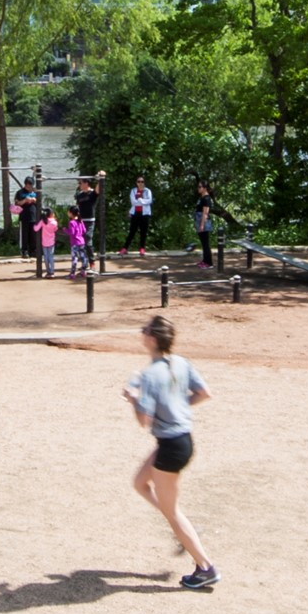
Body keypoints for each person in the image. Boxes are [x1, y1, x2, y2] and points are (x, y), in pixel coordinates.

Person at [122, 315, 218, 589]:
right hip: (182, 439)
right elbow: (204, 393)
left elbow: (144, 420)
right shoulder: (181, 363)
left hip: (171, 447)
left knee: (173, 513)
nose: (141, 333)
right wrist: (179, 407)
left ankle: (205, 567)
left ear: (152, 339)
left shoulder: (150, 375)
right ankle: (183, 526)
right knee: (140, 483)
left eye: (144, 330)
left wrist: (133, 398)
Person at [125, 176, 153, 254]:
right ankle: (125, 248)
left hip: (145, 214)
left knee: (143, 232)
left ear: (144, 182)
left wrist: (140, 200)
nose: (140, 183)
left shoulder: (147, 191)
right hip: (135, 213)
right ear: (136, 183)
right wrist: (143, 201)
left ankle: (142, 248)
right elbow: (133, 202)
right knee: (132, 231)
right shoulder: (133, 191)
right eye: (138, 181)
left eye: (142, 181)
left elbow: (149, 201)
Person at [74, 177, 101, 256]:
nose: (79, 185)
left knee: (88, 240)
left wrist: (100, 179)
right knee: (80, 242)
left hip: (90, 220)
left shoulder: (92, 193)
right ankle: (84, 263)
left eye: (80, 183)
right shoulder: (79, 195)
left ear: (86, 183)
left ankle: (91, 262)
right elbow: (77, 207)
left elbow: (98, 188)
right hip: (81, 220)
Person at [11, 178, 38, 256]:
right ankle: (24, 251)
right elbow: (16, 203)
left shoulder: (35, 192)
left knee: (33, 235)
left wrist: (34, 200)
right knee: (24, 235)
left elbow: (39, 202)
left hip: (34, 216)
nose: (29, 187)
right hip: (24, 217)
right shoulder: (20, 193)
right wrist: (25, 200)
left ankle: (33, 251)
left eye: (31, 185)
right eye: (28, 185)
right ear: (25, 184)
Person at [193, 181, 215, 268]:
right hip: (199, 221)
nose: (198, 188)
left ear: (205, 188)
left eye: (200, 187)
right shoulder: (201, 198)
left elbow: (205, 213)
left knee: (206, 243)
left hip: (203, 222)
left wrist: (202, 225)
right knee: (203, 243)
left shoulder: (206, 199)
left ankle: (209, 263)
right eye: (198, 187)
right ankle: (204, 260)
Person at [33, 207, 59, 278]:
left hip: (44, 242)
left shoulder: (43, 221)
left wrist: (34, 225)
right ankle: (52, 272)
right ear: (51, 214)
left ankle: (48, 271)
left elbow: (36, 229)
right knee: (51, 256)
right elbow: (55, 229)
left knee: (46, 257)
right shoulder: (54, 222)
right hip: (51, 242)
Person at [66, 206, 91, 280]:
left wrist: (65, 230)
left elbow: (72, 233)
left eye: (69, 212)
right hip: (81, 242)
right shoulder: (80, 221)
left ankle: (72, 273)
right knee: (83, 257)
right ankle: (83, 271)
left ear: (71, 213)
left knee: (75, 258)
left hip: (74, 243)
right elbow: (84, 230)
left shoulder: (71, 222)